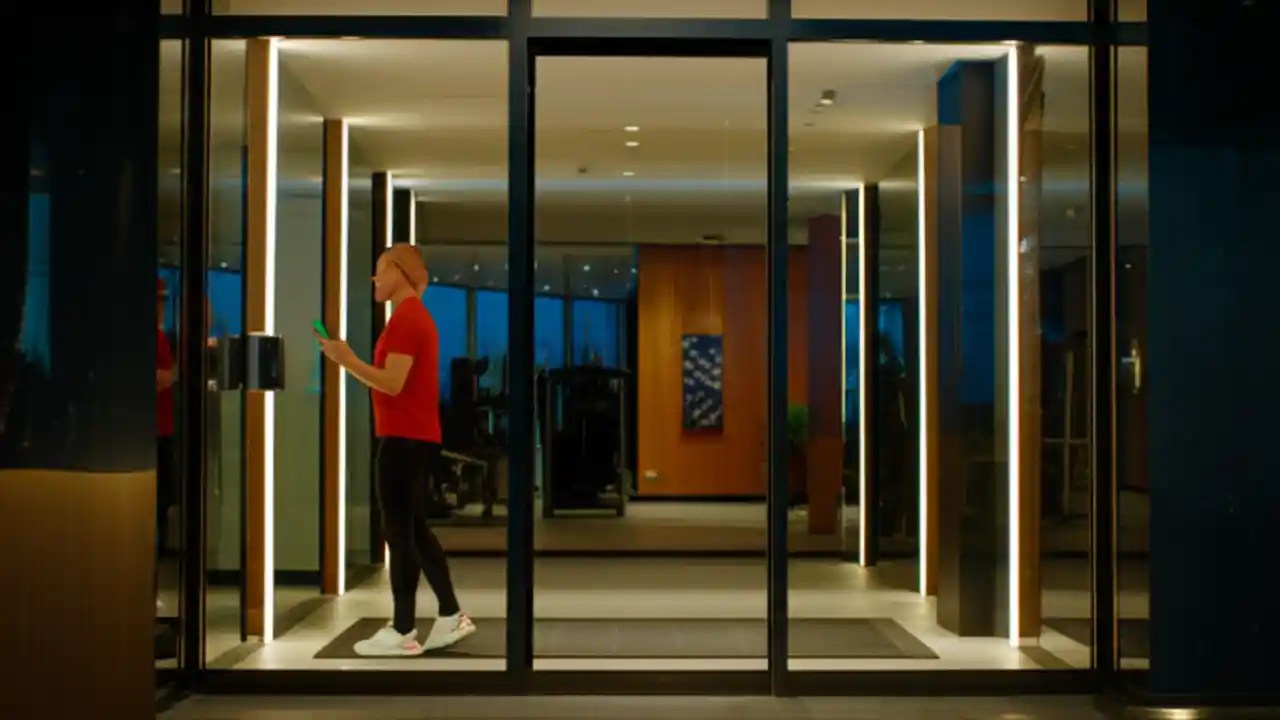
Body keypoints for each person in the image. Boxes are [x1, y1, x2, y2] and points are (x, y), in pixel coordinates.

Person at [316, 244, 475, 656]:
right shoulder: (410, 318)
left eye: (379, 270)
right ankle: (450, 614)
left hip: (403, 439)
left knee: (399, 532)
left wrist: (345, 358)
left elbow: (391, 382)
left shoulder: (407, 319)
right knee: (414, 529)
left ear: (399, 271)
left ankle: (404, 628)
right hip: (411, 437)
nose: (374, 279)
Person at [155, 278, 176, 611]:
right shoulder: (152, 335)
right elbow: (162, 378)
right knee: (156, 511)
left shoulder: (160, 335)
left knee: (162, 510)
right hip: (154, 433)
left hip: (163, 431)